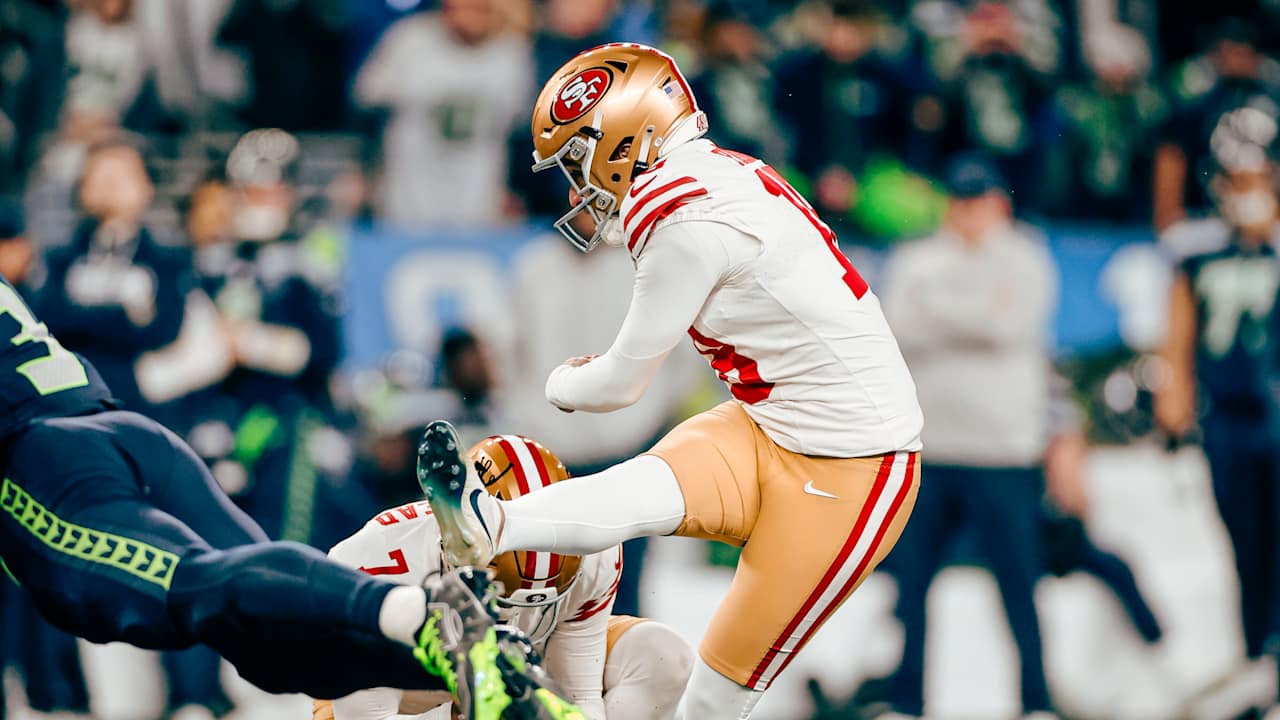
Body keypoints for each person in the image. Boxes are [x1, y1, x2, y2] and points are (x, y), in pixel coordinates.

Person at [417, 42, 923, 718]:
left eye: (577, 158)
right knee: (636, 492)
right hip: (769, 421)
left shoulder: (680, 214)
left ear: (623, 137)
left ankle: (496, 525)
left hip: (852, 470)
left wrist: (561, 383)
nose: (575, 187)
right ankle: (492, 523)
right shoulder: (718, 171)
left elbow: (615, 384)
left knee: (713, 699)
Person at [0, 288, 582, 716]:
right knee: (270, 636)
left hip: (35, 461)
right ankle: (488, 671)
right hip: (123, 431)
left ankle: (424, 615)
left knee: (197, 589)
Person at [315, 434, 694, 720]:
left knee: (662, 655)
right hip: (411, 673)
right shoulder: (375, 558)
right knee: (364, 672)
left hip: (529, 654)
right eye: (502, 596)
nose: (509, 617)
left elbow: (581, 693)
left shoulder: (597, 549)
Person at [878, 154, 1057, 719]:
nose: (971, 213)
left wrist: (942, 314)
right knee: (911, 587)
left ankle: (1035, 702)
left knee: (1019, 586)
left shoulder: (1027, 255)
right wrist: (977, 313)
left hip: (1005, 452)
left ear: (999, 204)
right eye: (961, 201)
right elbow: (897, 327)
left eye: (981, 200)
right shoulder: (915, 257)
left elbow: (1013, 324)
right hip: (930, 450)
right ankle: (908, 700)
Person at [1155, 116, 1280, 706]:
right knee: (1245, 539)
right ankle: (1257, 654)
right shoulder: (1199, 255)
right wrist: (1174, 406)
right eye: (1236, 179)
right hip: (1228, 419)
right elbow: (1178, 339)